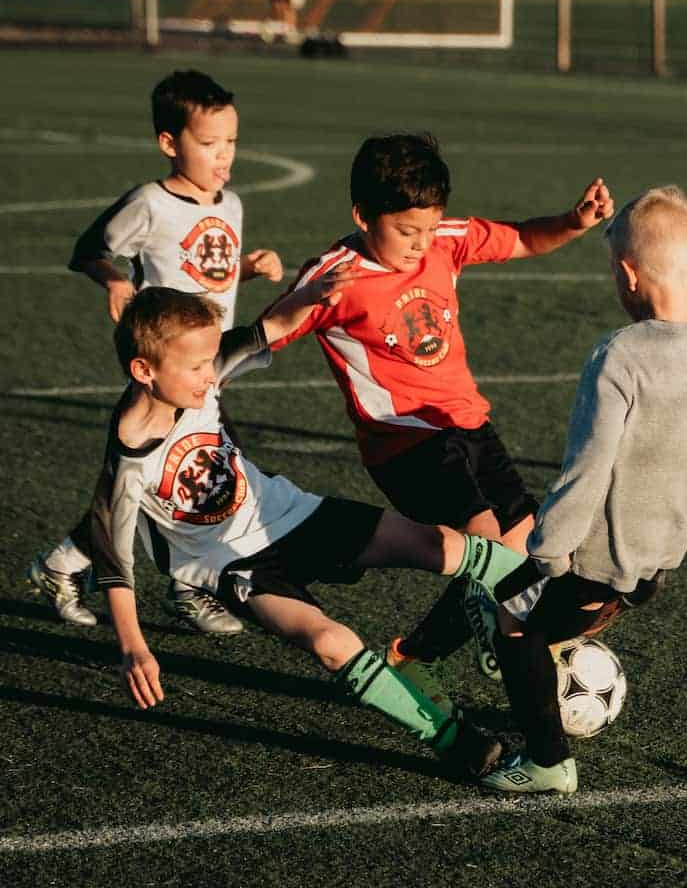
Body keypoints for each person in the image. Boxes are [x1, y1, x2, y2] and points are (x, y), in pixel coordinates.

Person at [92, 283, 525, 779]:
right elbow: (113, 559)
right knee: (330, 643)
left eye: (212, 361)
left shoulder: (200, 374)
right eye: (196, 367)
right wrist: (133, 646)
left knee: (442, 543)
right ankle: (454, 741)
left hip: (292, 512)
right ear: (144, 371)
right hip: (236, 565)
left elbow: (268, 329)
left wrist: (318, 294)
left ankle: (550, 604)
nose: (210, 375)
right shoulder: (129, 458)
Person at [481, 185, 687, 794]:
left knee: (511, 621)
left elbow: (588, 466)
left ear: (627, 274)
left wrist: (547, 554)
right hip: (658, 564)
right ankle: (547, 657)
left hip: (599, 560)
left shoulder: (621, 355)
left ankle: (547, 761)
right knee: (529, 619)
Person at [270, 133, 614, 692]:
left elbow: (522, 238)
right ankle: (500, 643)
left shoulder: (445, 242)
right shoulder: (335, 275)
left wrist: (573, 222)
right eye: (406, 231)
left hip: (468, 423)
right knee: (481, 538)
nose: (420, 243)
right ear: (363, 215)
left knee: (524, 544)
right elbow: (271, 332)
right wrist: (295, 304)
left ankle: (412, 651)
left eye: (429, 228)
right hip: (404, 440)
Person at [28, 69, 283, 635]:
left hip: (208, 366)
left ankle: (66, 564)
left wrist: (248, 267)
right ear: (170, 143)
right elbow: (88, 249)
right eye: (208, 143)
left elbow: (205, 268)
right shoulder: (150, 202)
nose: (223, 156)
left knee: (157, 482)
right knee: (189, 476)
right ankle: (188, 587)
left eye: (231, 142)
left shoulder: (233, 204)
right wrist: (114, 280)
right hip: (165, 369)